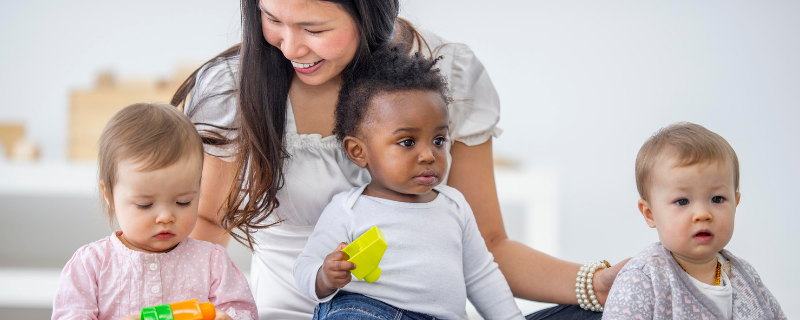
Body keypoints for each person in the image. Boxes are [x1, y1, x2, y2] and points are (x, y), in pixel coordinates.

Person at [172, 0, 626, 318]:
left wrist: (594, 283)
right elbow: (208, 226)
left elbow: (485, 248)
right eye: (271, 18)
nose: (289, 47)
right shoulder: (235, 88)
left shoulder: (443, 71)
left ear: (368, 10)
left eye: (314, 29)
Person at [293, 47, 524, 320]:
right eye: (407, 142)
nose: (428, 155)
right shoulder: (349, 208)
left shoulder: (454, 206)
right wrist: (325, 276)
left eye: (439, 140)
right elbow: (304, 268)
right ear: (358, 151)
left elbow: (481, 276)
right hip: (366, 311)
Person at [51, 103, 258, 320]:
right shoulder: (91, 265)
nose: (166, 217)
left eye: (183, 202)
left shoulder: (212, 262)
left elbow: (244, 311)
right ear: (109, 195)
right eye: (145, 205)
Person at [603, 123, 786, 319]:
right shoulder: (642, 280)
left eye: (717, 199)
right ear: (650, 214)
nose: (702, 214)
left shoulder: (745, 276)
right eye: (682, 201)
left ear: (736, 204)